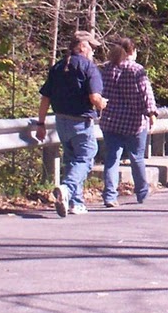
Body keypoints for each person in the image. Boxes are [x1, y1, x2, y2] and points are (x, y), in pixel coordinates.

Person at [35, 32, 104, 216]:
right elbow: (94, 97)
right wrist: (102, 104)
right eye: (92, 48)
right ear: (82, 47)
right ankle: (67, 188)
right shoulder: (89, 68)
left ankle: (76, 203)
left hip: (61, 122)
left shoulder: (58, 67)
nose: (93, 53)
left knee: (72, 161)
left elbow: (45, 98)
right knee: (86, 159)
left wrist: (40, 123)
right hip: (81, 122)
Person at [99, 37, 158, 209]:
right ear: (132, 51)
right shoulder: (136, 69)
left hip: (110, 121)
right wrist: (152, 113)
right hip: (134, 121)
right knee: (136, 157)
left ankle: (110, 195)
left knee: (112, 158)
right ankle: (141, 192)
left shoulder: (106, 69)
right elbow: (147, 94)